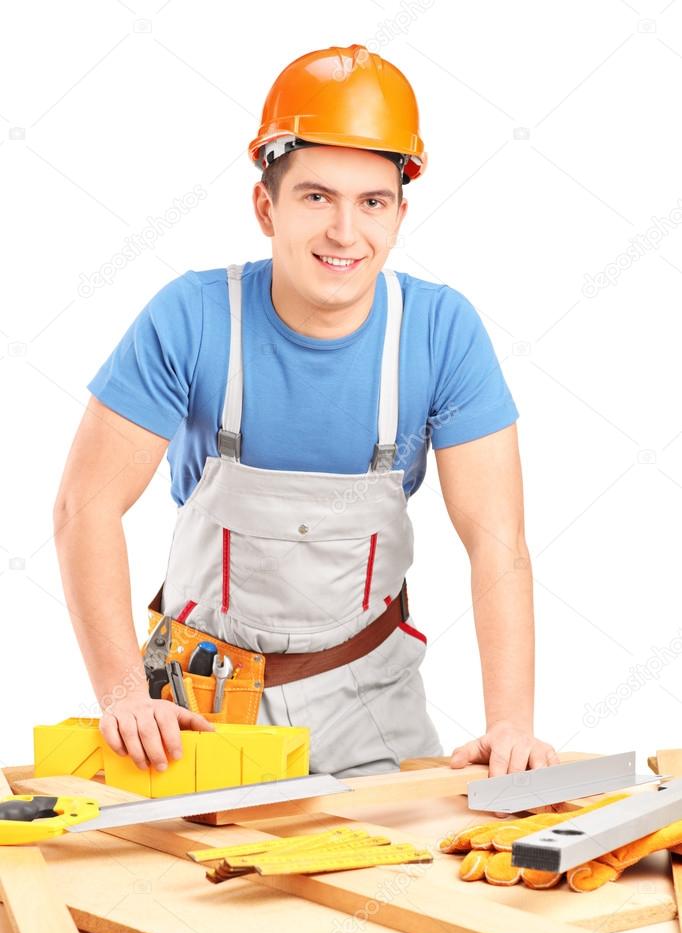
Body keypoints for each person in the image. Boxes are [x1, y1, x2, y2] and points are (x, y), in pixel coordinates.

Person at [53, 44, 559, 780]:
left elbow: (498, 539)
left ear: (399, 212)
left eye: (372, 202)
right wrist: (127, 696)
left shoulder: (441, 332)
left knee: (407, 880)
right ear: (267, 206)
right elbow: (83, 506)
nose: (345, 232)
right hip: (197, 708)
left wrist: (511, 724)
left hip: (372, 701)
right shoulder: (192, 320)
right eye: (317, 196)